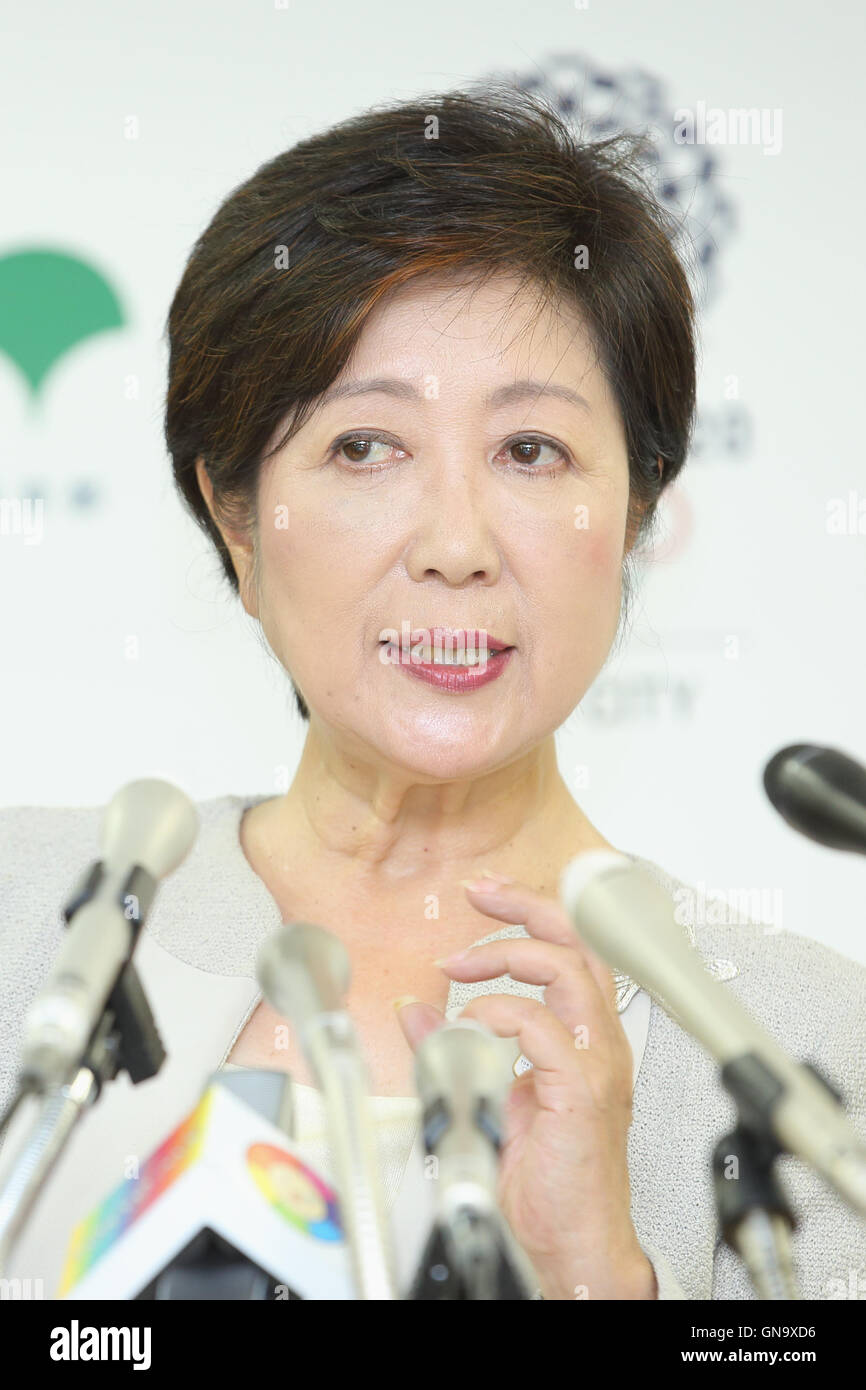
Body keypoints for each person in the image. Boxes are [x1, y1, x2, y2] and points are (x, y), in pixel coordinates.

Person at [1, 83, 863, 1300]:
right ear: (236, 520)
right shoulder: (31, 916)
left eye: (529, 450)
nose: (454, 541)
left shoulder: (802, 1043)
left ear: (633, 513)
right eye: (363, 446)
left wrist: (604, 1279)